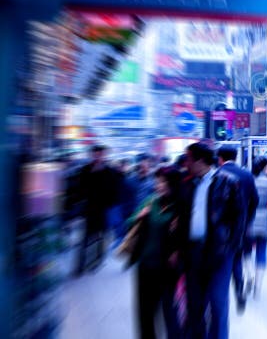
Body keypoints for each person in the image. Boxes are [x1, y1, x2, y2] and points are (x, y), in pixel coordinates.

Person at [179, 143, 247, 339]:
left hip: (219, 253)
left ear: (200, 161)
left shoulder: (228, 182)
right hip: (193, 253)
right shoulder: (188, 183)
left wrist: (231, 247)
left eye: (189, 159)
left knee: (217, 304)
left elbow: (239, 219)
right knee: (195, 304)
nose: (186, 163)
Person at [127, 165, 183, 339]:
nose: (158, 184)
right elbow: (130, 224)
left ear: (172, 184)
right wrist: (139, 217)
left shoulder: (179, 206)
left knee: (169, 310)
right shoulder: (150, 201)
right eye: (157, 180)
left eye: (162, 181)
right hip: (145, 265)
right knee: (144, 311)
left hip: (167, 268)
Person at [216, 146, 257, 314]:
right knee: (237, 260)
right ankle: (239, 291)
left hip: (222, 228)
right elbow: (254, 199)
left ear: (220, 158)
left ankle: (220, 298)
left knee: (222, 263)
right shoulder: (247, 175)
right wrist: (248, 220)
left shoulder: (218, 174)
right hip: (241, 226)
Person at [75, 145, 116, 275]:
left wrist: (108, 205)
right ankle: (81, 266)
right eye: (96, 154)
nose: (98, 157)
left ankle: (95, 262)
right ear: (92, 155)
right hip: (89, 209)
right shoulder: (85, 170)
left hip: (102, 210)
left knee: (100, 238)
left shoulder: (109, 171)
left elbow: (113, 191)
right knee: (86, 238)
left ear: (104, 155)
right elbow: (80, 188)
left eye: (101, 154)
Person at [245, 157, 267, 299]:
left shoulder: (248, 181)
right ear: (263, 168)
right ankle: (258, 288)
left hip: (249, 219)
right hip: (265, 220)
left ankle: (250, 274)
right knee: (262, 251)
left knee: (246, 249)